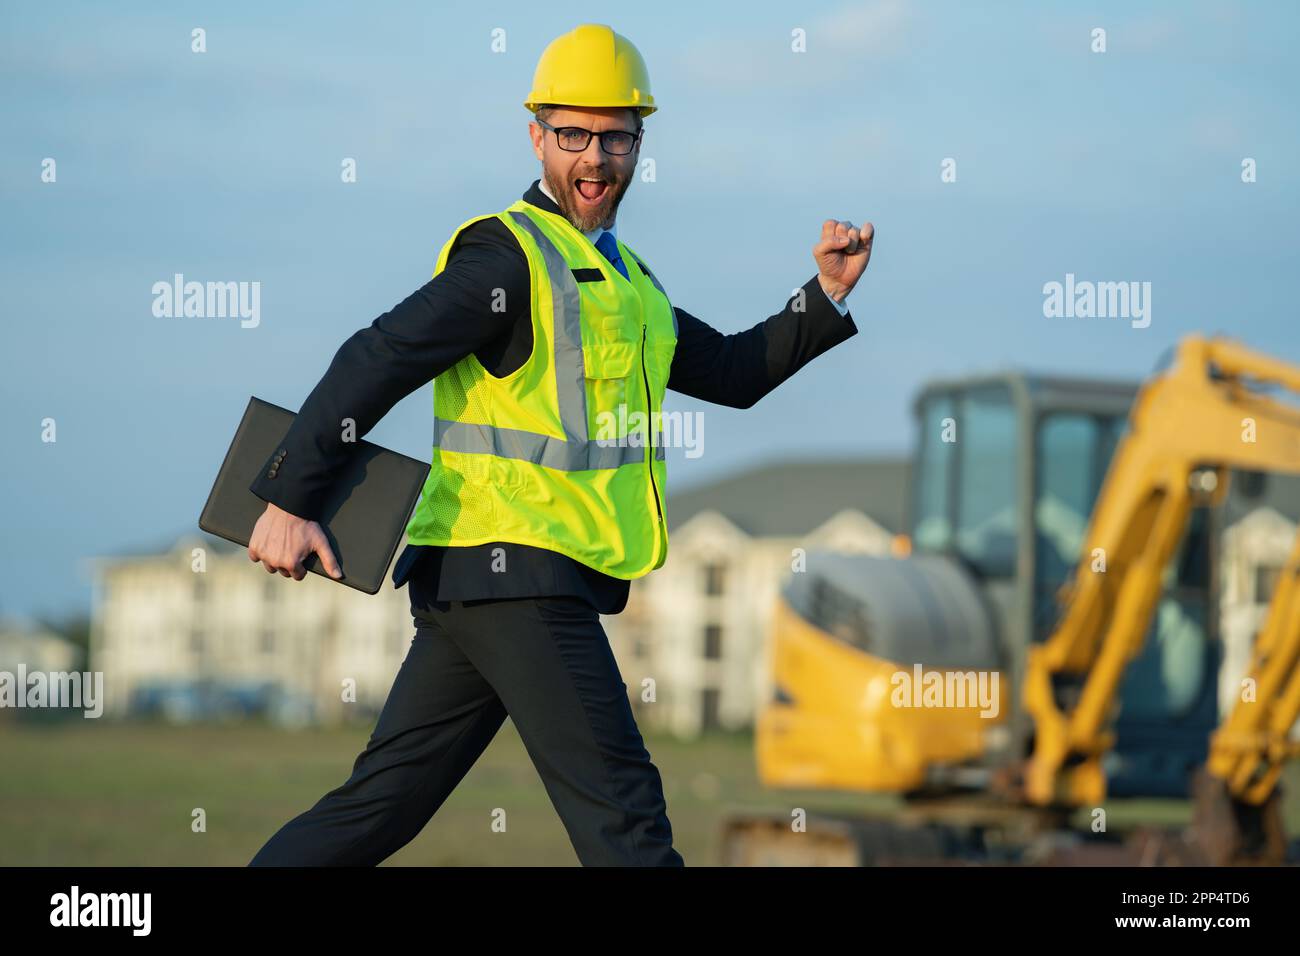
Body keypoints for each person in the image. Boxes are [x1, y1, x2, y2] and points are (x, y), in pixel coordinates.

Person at [245, 22, 873, 867]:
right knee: (628, 820)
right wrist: (290, 499)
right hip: (519, 573)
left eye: (617, 137)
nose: (596, 158)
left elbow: (729, 370)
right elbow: (378, 357)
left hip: (485, 581)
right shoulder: (506, 259)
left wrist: (822, 298)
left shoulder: (627, 281)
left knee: (376, 810)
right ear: (536, 135)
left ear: (641, 144)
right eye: (574, 134)